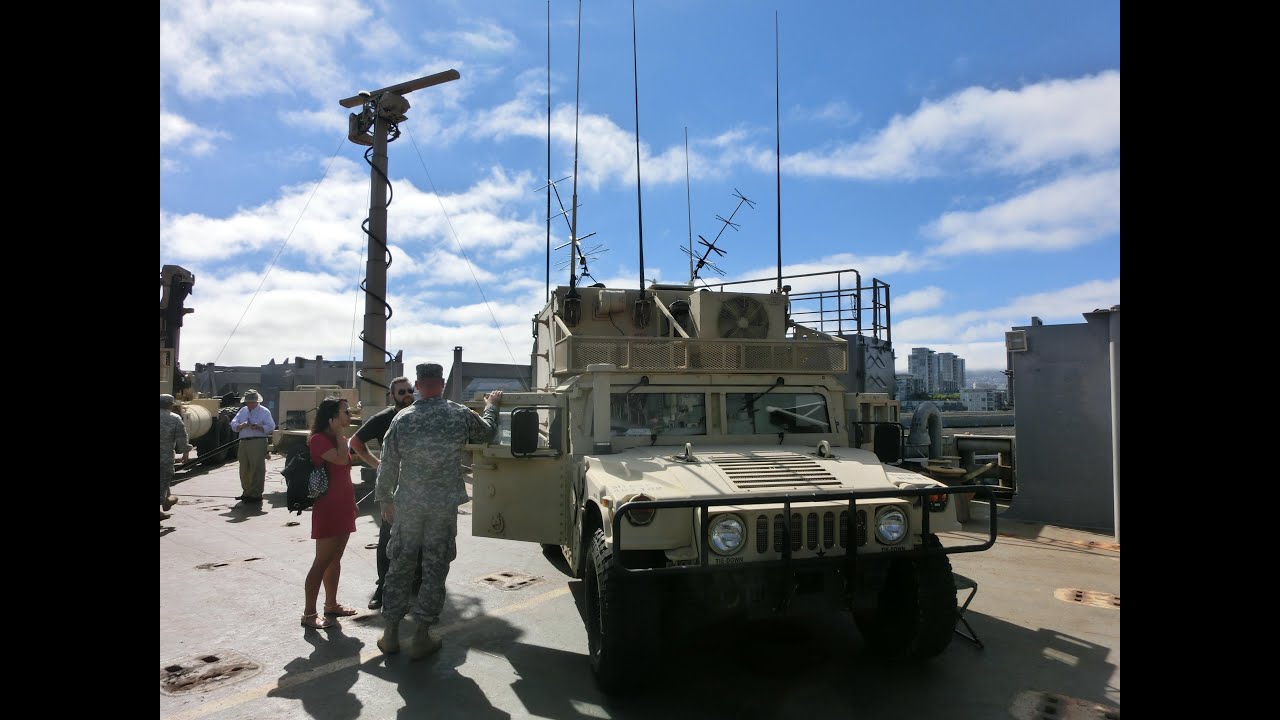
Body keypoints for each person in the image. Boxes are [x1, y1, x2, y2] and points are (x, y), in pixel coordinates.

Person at [375, 363, 502, 658]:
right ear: (441, 383)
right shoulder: (459, 414)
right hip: (441, 508)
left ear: (419, 385)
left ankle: (391, 634)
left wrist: (385, 499)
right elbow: (488, 433)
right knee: (434, 568)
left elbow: (388, 462)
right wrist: (492, 406)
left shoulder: (403, 418)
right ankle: (421, 636)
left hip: (408, 506)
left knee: (400, 566)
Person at [348, 376, 419, 610]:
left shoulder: (421, 413)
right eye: (401, 392)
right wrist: (377, 464)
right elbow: (355, 442)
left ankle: (416, 584)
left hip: (420, 487)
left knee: (420, 536)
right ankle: (383, 587)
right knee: (388, 537)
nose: (407, 395)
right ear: (392, 395)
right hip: (393, 488)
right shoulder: (385, 418)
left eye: (409, 390)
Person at [301, 397, 360, 630]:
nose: (350, 416)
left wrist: (353, 504)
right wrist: (337, 434)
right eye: (345, 412)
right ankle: (309, 613)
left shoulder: (341, 439)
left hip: (344, 506)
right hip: (327, 508)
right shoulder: (318, 440)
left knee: (336, 558)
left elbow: (345, 473)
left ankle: (331, 604)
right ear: (332, 417)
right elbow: (336, 459)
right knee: (321, 561)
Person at [230, 389, 275, 503]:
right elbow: (233, 424)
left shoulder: (264, 411)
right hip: (244, 441)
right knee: (244, 468)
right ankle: (247, 492)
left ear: (256, 401)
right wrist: (240, 426)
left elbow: (271, 426)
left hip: (258, 441)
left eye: (252, 402)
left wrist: (259, 427)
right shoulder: (243, 411)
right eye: (248, 402)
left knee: (257, 468)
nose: (250, 404)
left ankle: (256, 493)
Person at [160, 394, 190, 522]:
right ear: (170, 405)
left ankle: (167, 501)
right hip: (165, 458)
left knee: (163, 483)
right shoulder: (175, 418)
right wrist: (185, 453)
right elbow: (181, 438)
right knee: (163, 481)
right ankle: (165, 502)